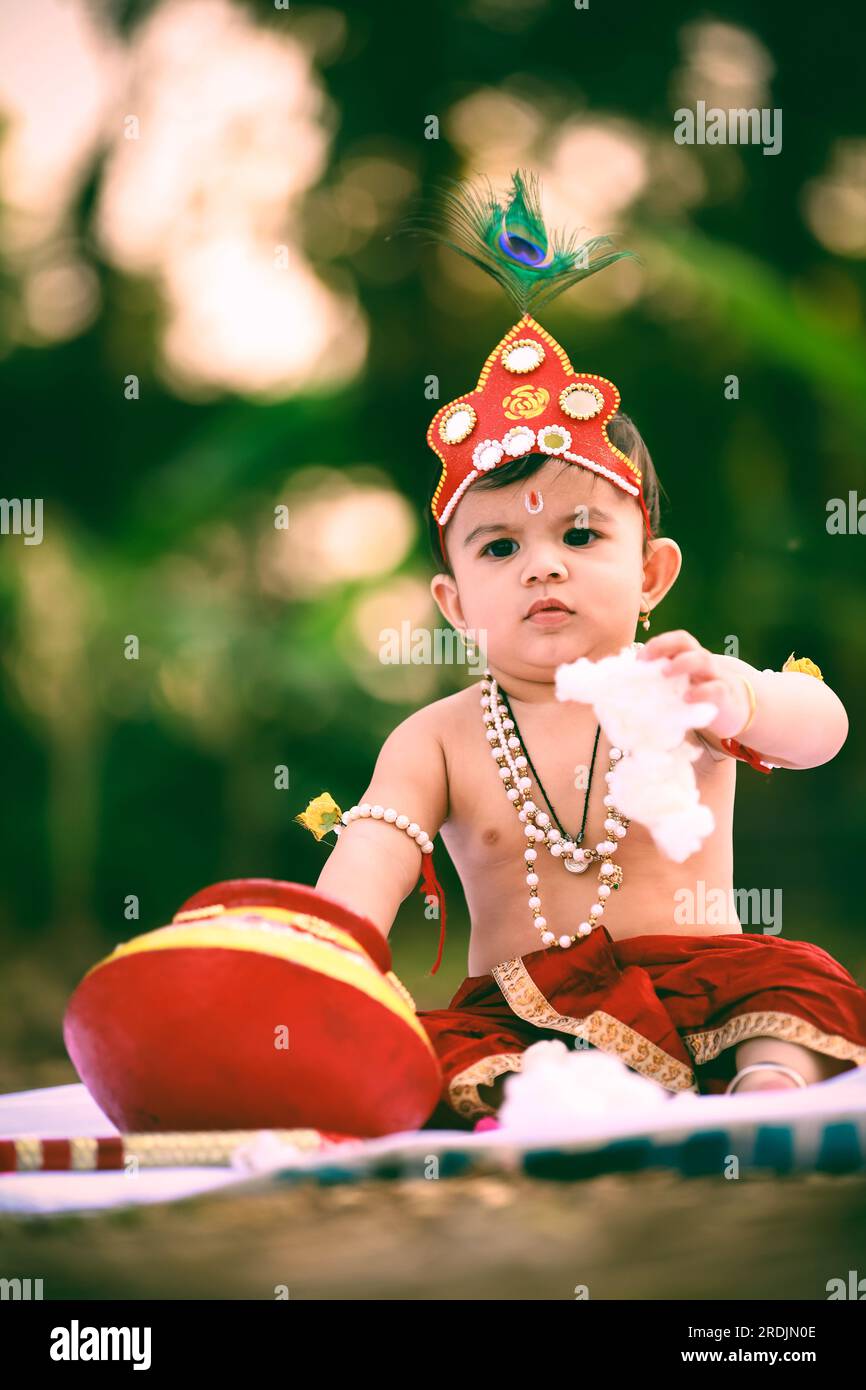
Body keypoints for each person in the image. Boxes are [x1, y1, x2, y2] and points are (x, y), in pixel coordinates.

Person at [306, 172, 866, 1129]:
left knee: (793, 991)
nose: (541, 569)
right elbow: (377, 848)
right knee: (431, 1051)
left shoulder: (685, 685)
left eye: (579, 535)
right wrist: (320, 947)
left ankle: (764, 1098)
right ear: (451, 601)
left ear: (651, 574)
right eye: (499, 547)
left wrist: (735, 699)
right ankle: (524, 1112)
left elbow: (822, 730)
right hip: (521, 1014)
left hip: (704, 986)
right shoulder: (438, 737)